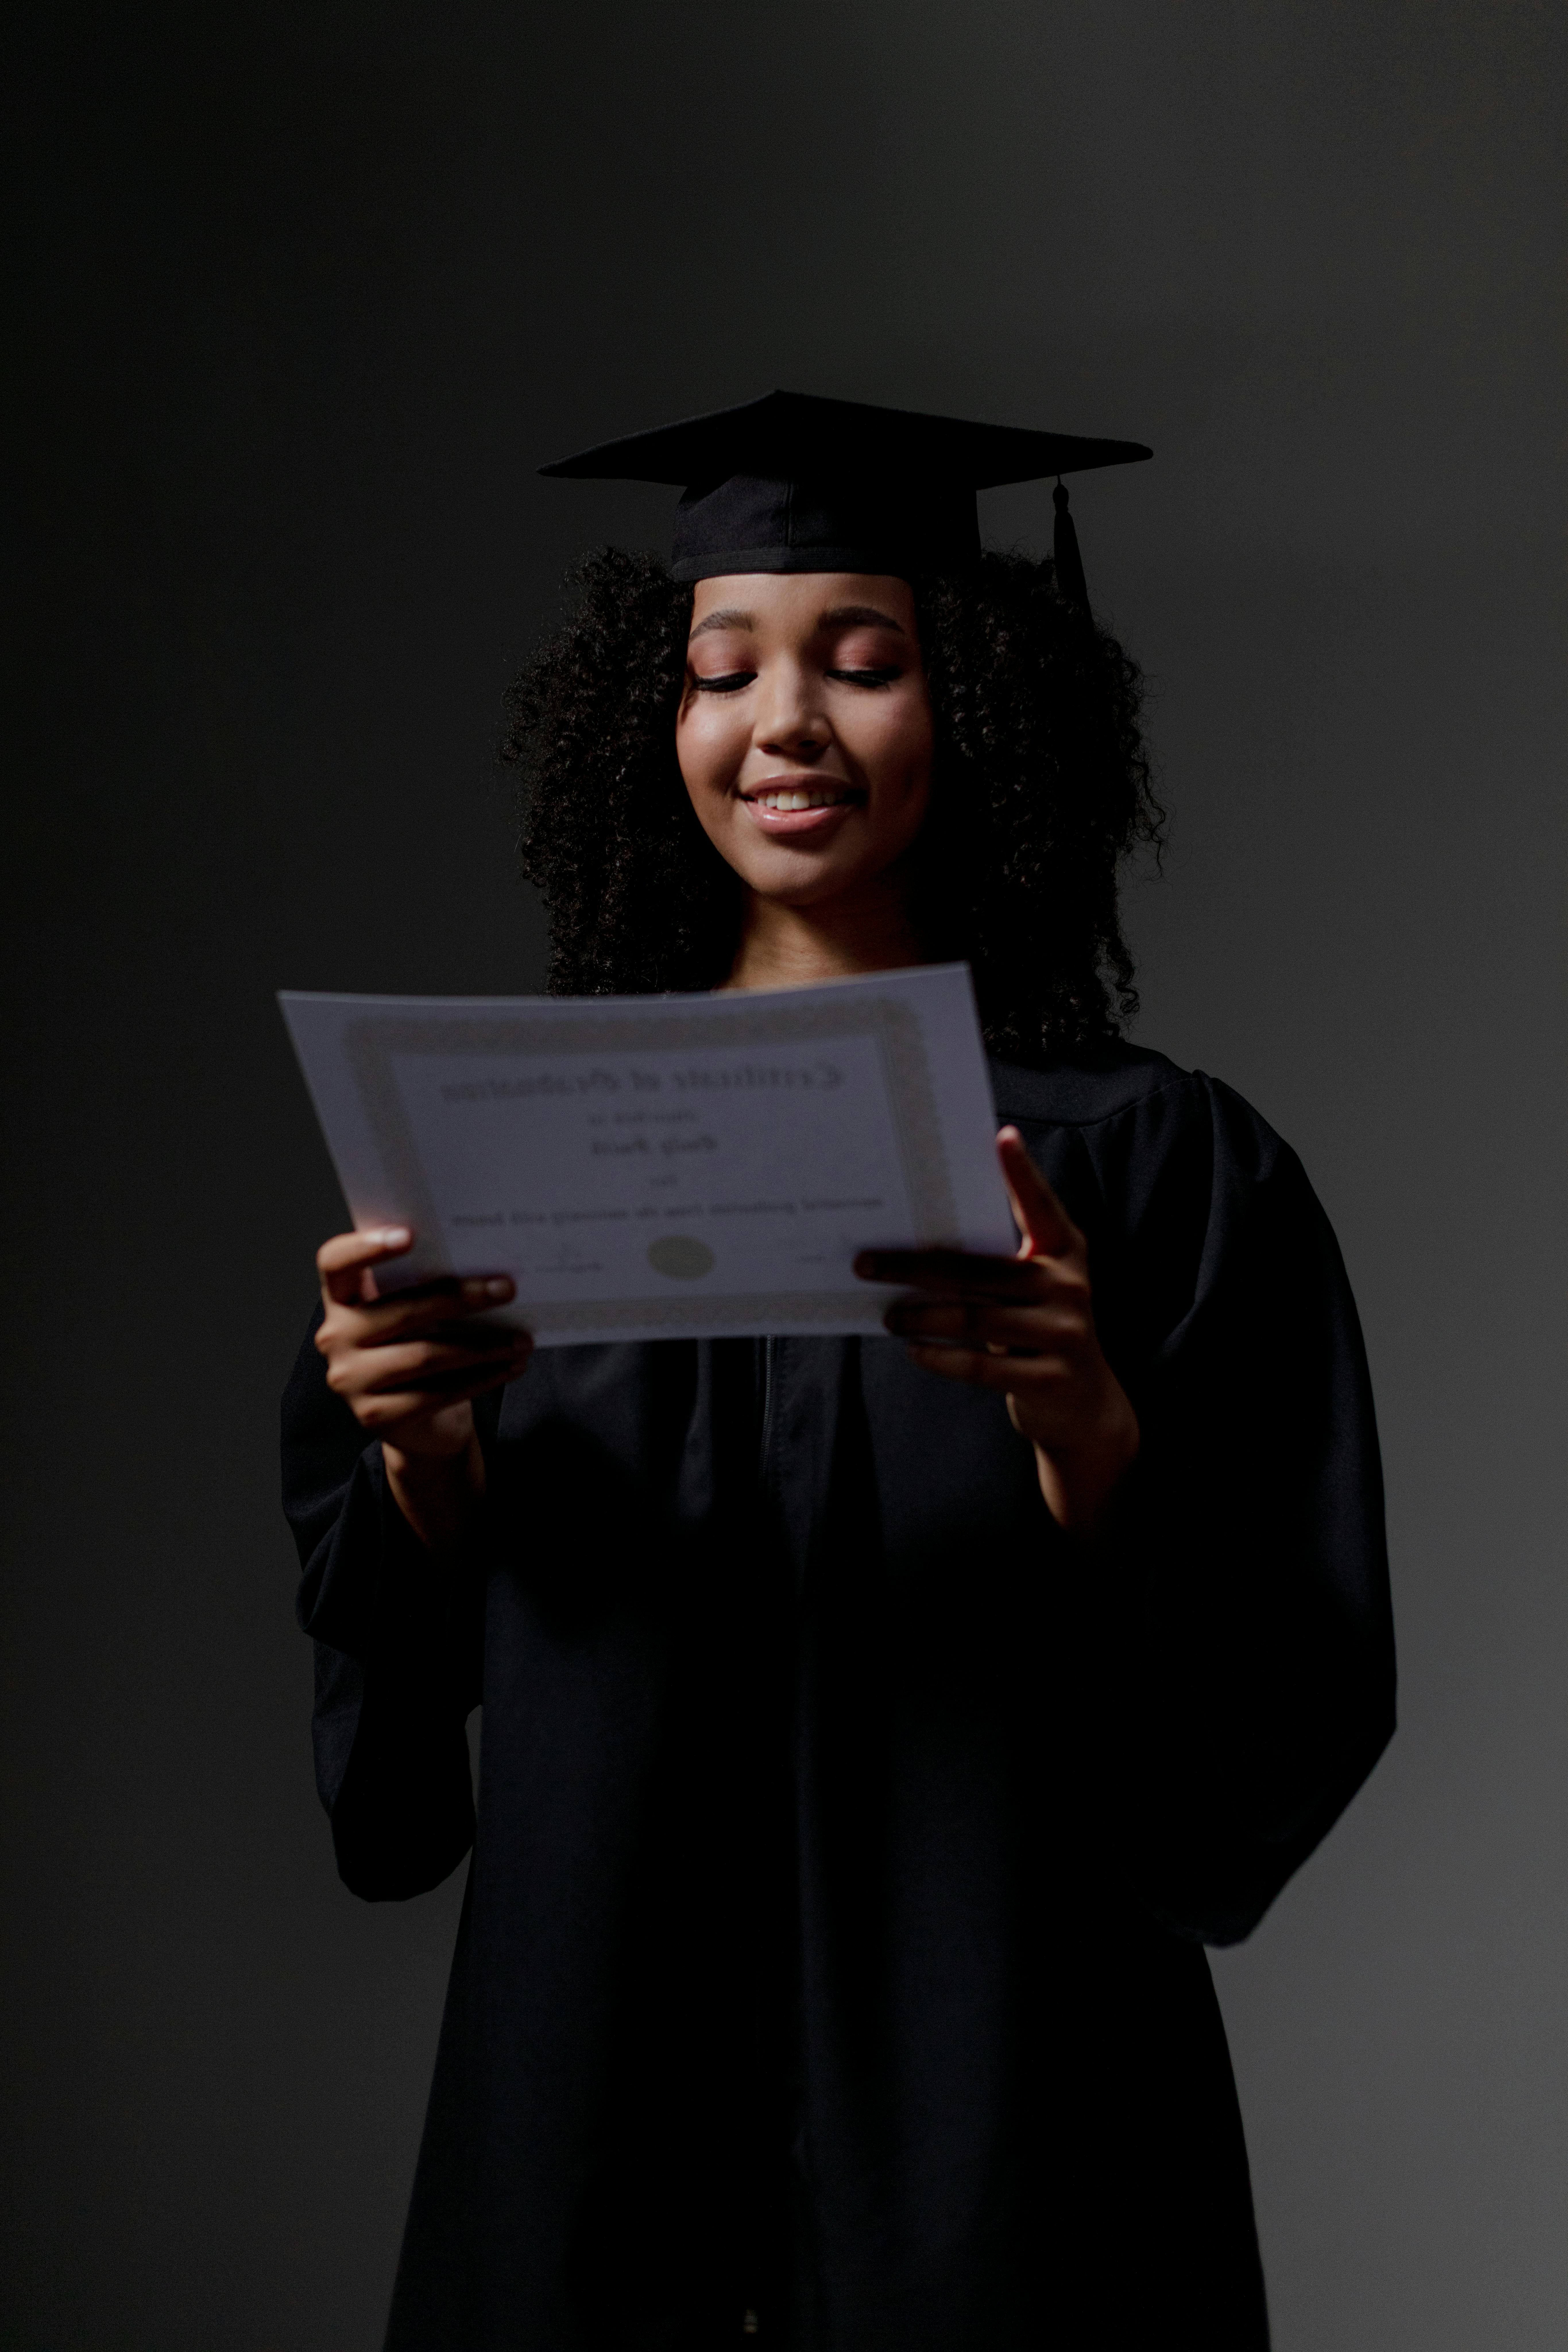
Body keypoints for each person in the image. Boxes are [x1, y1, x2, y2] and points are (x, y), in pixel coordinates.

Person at [282, 392, 1395, 2350]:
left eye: (862, 664)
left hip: (1014, 2090)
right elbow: (415, 1690)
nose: (782, 722)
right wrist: (423, 1460)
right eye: (723, 671)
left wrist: (1094, 1437)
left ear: (979, 707)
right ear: (657, 719)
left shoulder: (1145, 1165)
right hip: (600, 2062)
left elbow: (1284, 1696)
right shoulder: (525, 1145)